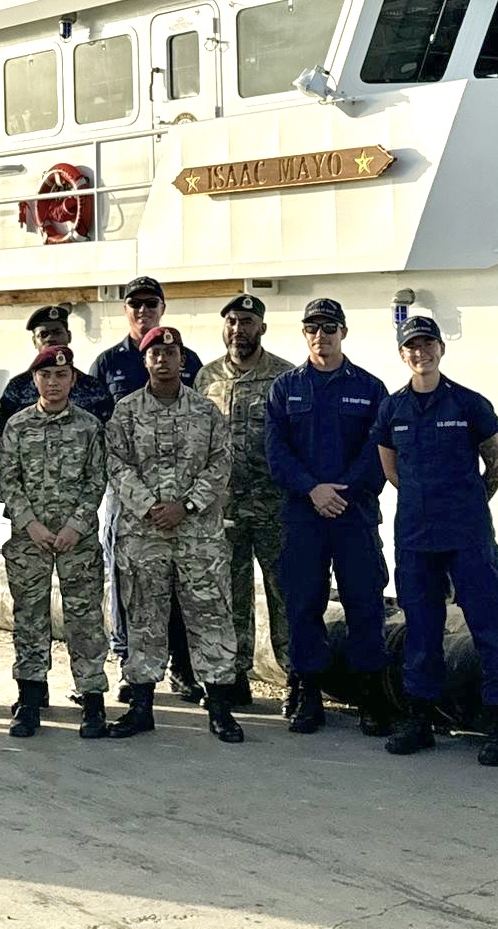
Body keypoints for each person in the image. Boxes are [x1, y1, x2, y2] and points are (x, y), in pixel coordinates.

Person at [374, 315, 498, 767]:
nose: (420, 353)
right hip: (416, 537)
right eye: (411, 347)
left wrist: (469, 505)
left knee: (489, 624)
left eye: (427, 345)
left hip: (468, 535)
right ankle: (420, 718)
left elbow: (495, 464)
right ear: (402, 354)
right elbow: (391, 468)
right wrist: (427, 502)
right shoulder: (393, 409)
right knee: (421, 629)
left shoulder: (468, 404)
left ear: (441, 349)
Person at [104, 327, 243, 744]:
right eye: (155, 353)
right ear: (145, 361)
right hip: (143, 534)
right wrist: (149, 506)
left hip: (197, 535)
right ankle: (141, 707)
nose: (163, 359)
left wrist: (186, 506)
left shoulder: (206, 411)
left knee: (211, 616)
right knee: (145, 618)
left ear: (183, 359)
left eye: (171, 352)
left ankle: (220, 707)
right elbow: (116, 464)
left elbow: (221, 462)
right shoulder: (126, 412)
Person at [267, 298, 392, 737]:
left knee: (364, 604)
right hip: (304, 516)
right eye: (313, 329)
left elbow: (377, 451)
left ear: (343, 332)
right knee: (303, 605)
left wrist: (341, 491)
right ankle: (308, 694)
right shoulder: (285, 388)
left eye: (330, 328)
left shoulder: (371, 387)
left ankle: (371, 697)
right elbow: (276, 452)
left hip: (353, 514)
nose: (321, 336)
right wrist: (312, 490)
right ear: (305, 334)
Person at [88, 277, 205, 701]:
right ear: (125, 310)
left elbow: (205, 425)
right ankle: (127, 660)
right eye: (134, 304)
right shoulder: (108, 363)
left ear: (162, 307)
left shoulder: (188, 358)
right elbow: (100, 432)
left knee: (177, 582)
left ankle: (181, 666)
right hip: (128, 497)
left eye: (150, 303)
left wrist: (184, 500)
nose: (143, 310)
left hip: (181, 499)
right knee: (125, 581)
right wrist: (139, 497)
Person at [0, 345, 109, 739]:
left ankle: (92, 699)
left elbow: (98, 481)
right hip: (31, 541)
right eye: (46, 375)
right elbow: (8, 480)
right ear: (35, 380)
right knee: (29, 619)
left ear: (73, 380)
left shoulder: (89, 427)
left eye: (62, 376)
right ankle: (29, 700)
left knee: (85, 621)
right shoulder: (17, 426)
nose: (54, 382)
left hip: (77, 541)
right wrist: (31, 525)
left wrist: (76, 526)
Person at [194, 293, 295, 710]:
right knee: (229, 597)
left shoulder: (285, 377)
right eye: (232, 321)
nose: (239, 330)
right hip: (224, 510)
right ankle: (235, 678)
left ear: (263, 329)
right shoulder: (206, 378)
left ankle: (297, 680)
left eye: (248, 322)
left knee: (285, 597)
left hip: (275, 509)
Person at [0, 305, 113, 431]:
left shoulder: (92, 387)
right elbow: (7, 436)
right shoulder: (17, 388)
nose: (51, 338)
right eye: (43, 334)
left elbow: (106, 435)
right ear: (34, 341)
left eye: (57, 332)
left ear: (69, 336)